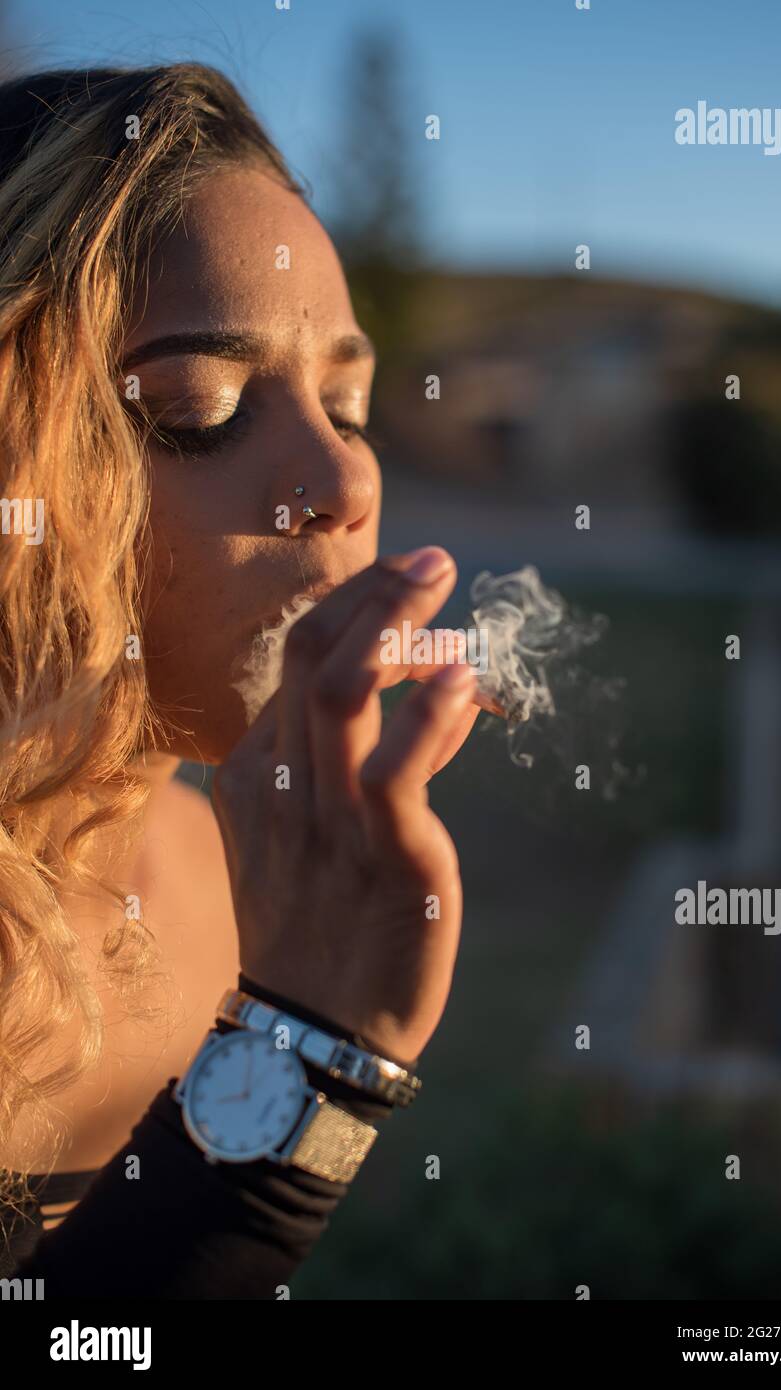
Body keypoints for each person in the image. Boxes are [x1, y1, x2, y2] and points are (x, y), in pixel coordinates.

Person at [0, 62, 479, 1298]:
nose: (348, 480)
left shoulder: (230, 871)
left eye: (346, 401)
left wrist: (299, 1049)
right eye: (198, 407)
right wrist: (305, 1055)